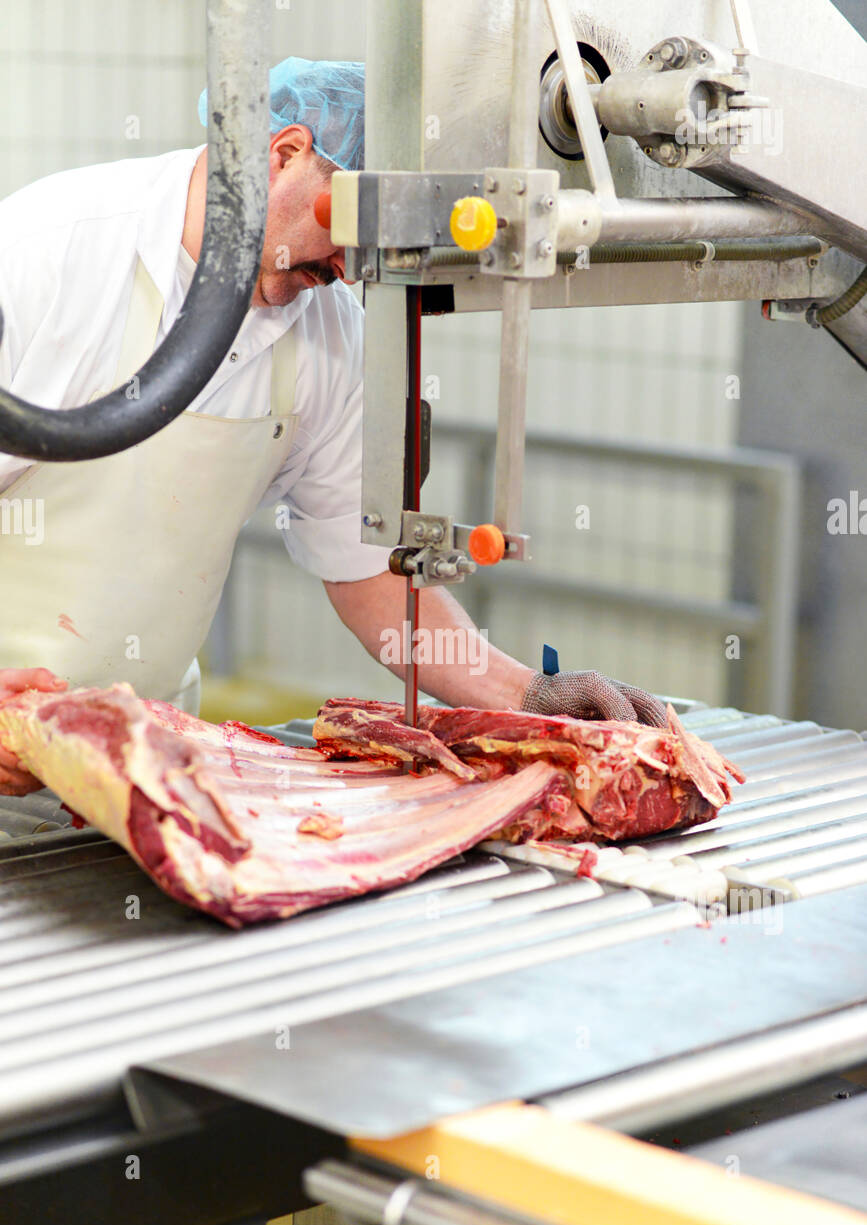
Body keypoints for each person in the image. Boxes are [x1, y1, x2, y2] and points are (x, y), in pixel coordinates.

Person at [0, 56, 665, 798]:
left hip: (138, 762)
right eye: (347, 225)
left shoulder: (329, 331)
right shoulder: (49, 252)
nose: (350, 268)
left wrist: (525, 698)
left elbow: (367, 576)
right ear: (282, 154)